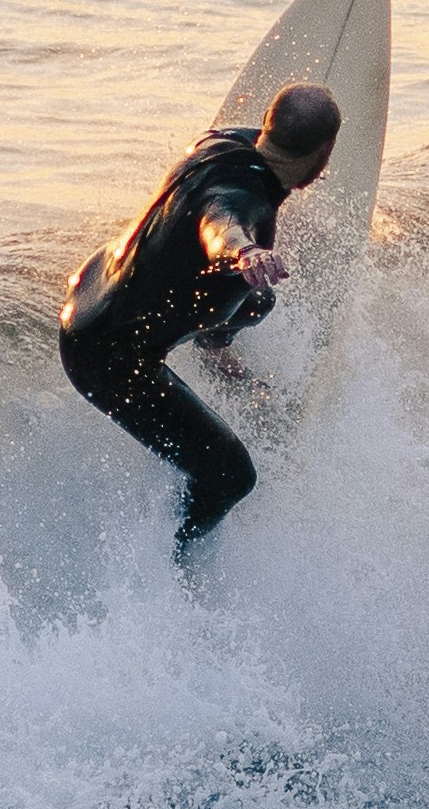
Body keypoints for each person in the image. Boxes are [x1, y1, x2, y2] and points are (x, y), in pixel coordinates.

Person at [60, 81, 340, 542]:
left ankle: (214, 347)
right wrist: (245, 252)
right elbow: (220, 223)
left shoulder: (222, 141)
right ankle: (180, 557)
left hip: (98, 283)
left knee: (257, 300)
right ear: (323, 153)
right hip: (106, 357)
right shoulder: (239, 200)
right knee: (231, 478)